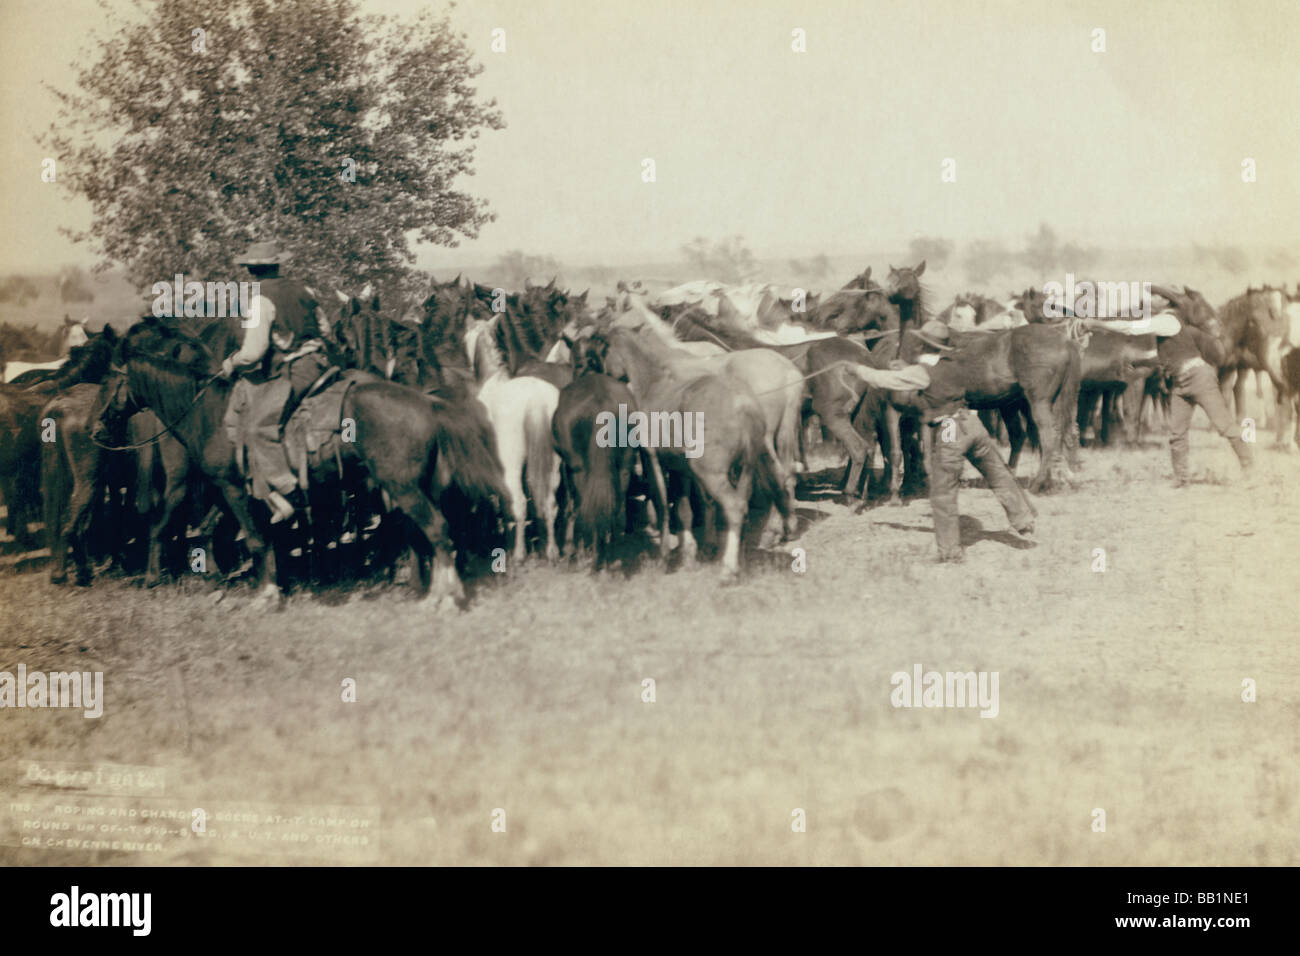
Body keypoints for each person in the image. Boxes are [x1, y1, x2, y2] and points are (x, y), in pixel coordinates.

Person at [219, 241, 330, 523]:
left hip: (294, 371)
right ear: (278, 264)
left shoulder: (260, 299)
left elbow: (254, 352)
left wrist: (232, 362)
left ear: (252, 270)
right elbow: (325, 327)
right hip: (323, 363)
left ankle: (287, 490)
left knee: (257, 428)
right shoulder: (305, 290)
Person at [910, 320, 1036, 563]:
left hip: (949, 429)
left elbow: (890, 382)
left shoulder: (920, 371)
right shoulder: (956, 364)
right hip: (972, 424)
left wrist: (861, 371)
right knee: (999, 473)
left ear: (923, 344)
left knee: (943, 491)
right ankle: (1023, 519)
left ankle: (950, 552)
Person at [1153, 303, 1252, 488]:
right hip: (1179, 384)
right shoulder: (1161, 335)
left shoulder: (1183, 328)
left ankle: (1250, 469)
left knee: (1225, 426)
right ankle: (1181, 478)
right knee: (1177, 433)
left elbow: (1217, 351)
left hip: (1199, 379)